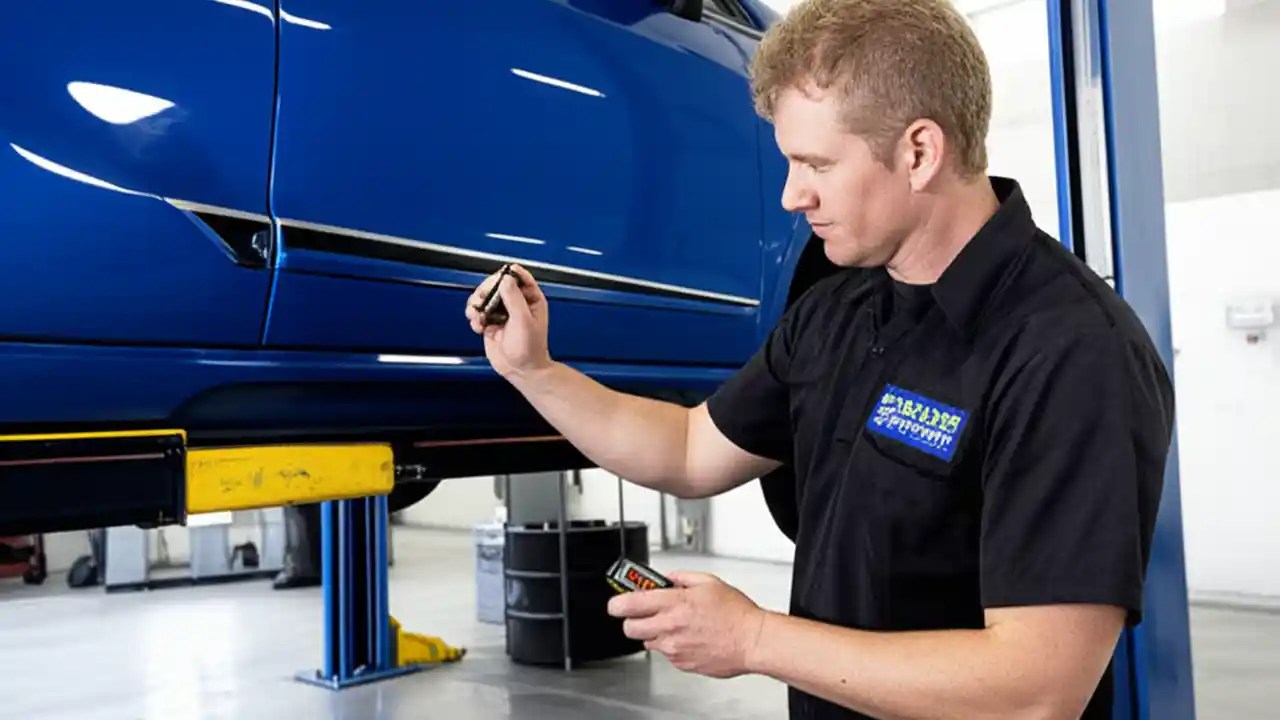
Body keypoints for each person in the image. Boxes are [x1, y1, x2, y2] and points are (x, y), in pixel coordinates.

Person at [464, 0, 1174, 717]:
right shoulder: (834, 312)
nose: (790, 195)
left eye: (816, 164)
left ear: (919, 152)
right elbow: (688, 449)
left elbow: (1037, 692)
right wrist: (534, 371)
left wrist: (754, 639)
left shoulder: (1070, 352)